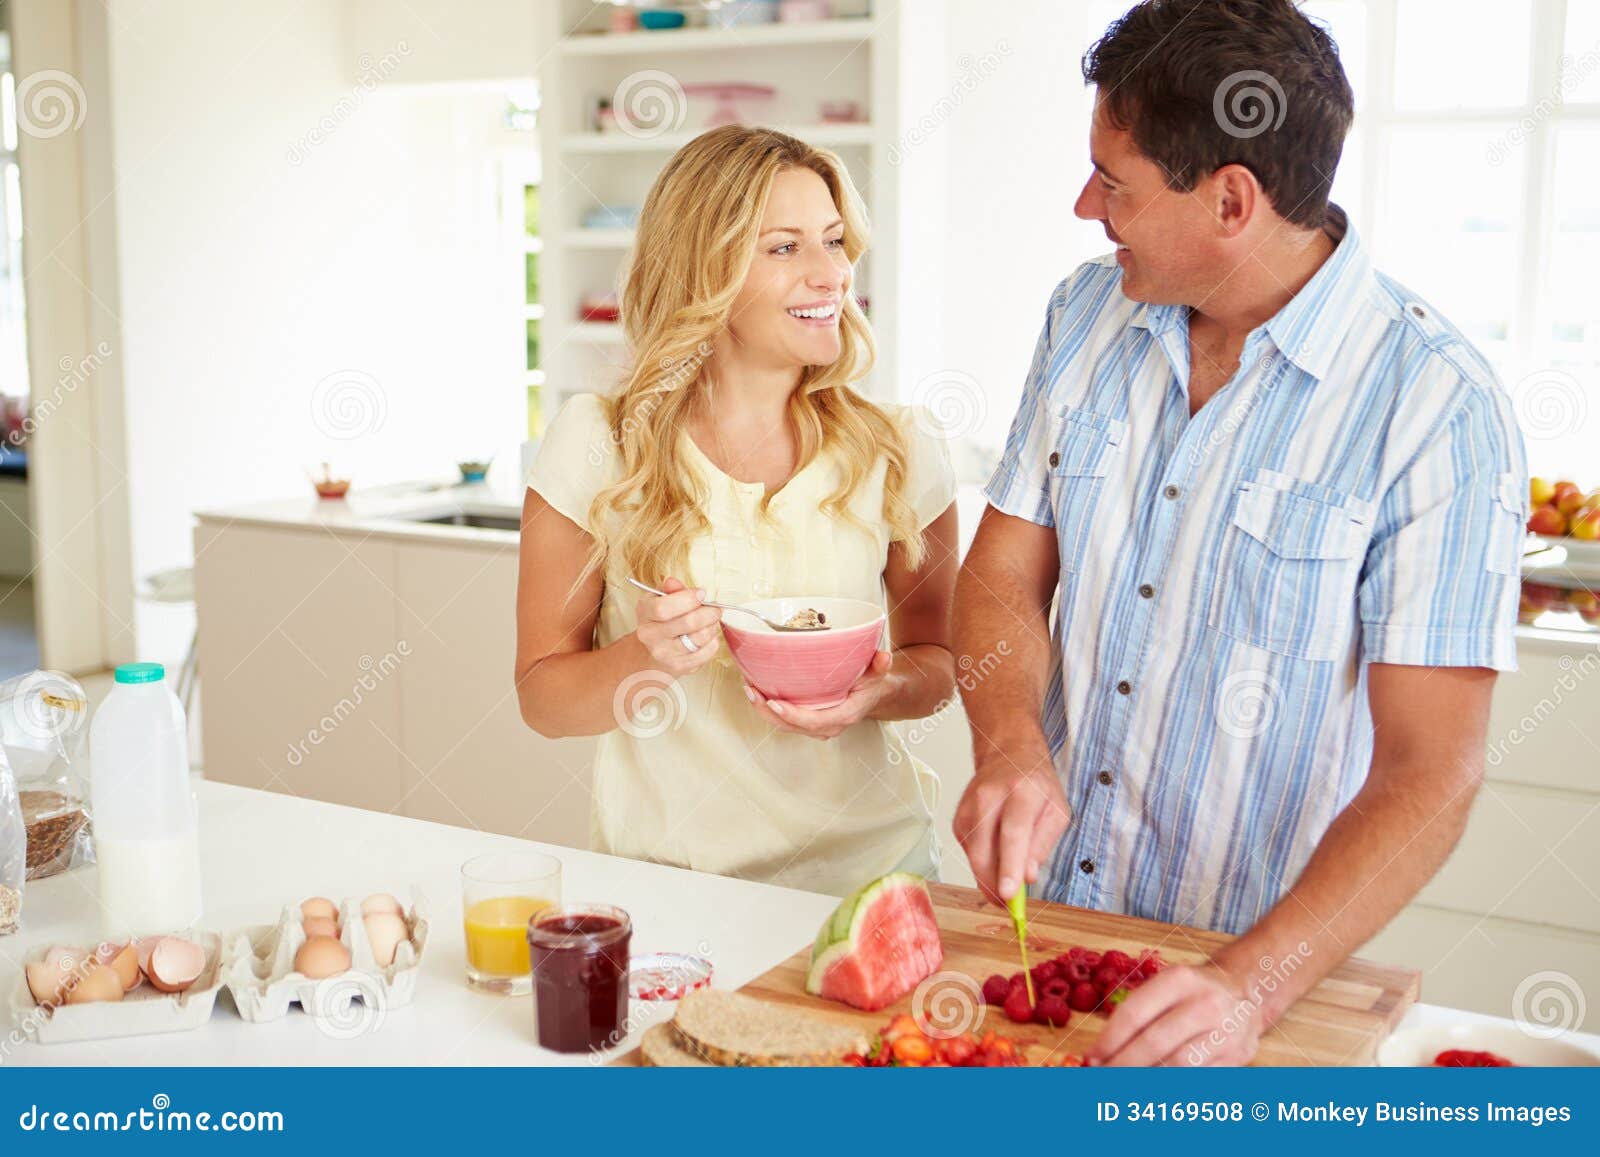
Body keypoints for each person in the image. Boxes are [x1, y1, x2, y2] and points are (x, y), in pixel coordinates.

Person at [953, 0, 1526, 1065]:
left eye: (1113, 180)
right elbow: (998, 575)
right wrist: (1011, 746)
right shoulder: (1082, 318)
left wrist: (1247, 986)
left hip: (1251, 988)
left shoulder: (1436, 407)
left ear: (1230, 199)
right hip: (1047, 946)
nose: (1086, 205)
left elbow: (1428, 771)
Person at [516, 125, 959, 896]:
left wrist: (880, 691)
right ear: (703, 268)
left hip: (872, 878)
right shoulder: (601, 444)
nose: (831, 275)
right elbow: (542, 699)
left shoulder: (900, 447)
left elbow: (942, 662)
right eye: (784, 248)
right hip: (671, 884)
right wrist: (640, 659)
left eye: (834, 240)